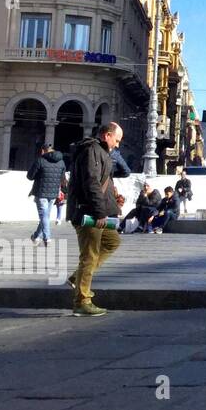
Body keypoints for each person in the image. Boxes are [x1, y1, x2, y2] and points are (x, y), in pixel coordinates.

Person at [66, 122, 126, 317]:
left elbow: (105, 180)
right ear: (107, 135)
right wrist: (100, 213)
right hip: (88, 212)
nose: (117, 145)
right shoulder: (92, 150)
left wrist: (112, 202)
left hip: (98, 210)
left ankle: (78, 277)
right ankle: (82, 301)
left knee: (112, 241)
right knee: (89, 256)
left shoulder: (101, 152)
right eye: (116, 140)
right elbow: (91, 182)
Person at [26, 144, 66, 246]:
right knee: (45, 216)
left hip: (41, 192)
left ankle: (47, 237)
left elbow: (30, 176)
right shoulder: (61, 162)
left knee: (44, 216)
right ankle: (35, 237)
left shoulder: (40, 160)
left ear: (43, 151)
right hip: (53, 194)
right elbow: (63, 179)